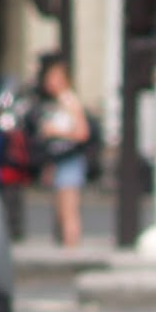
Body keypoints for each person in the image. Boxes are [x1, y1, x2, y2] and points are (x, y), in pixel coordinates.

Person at [35, 54, 91, 249]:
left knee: (69, 210)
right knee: (61, 208)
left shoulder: (69, 101)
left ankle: (71, 247)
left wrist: (54, 131)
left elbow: (82, 133)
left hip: (70, 159)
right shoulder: (57, 102)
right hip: (59, 160)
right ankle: (67, 244)